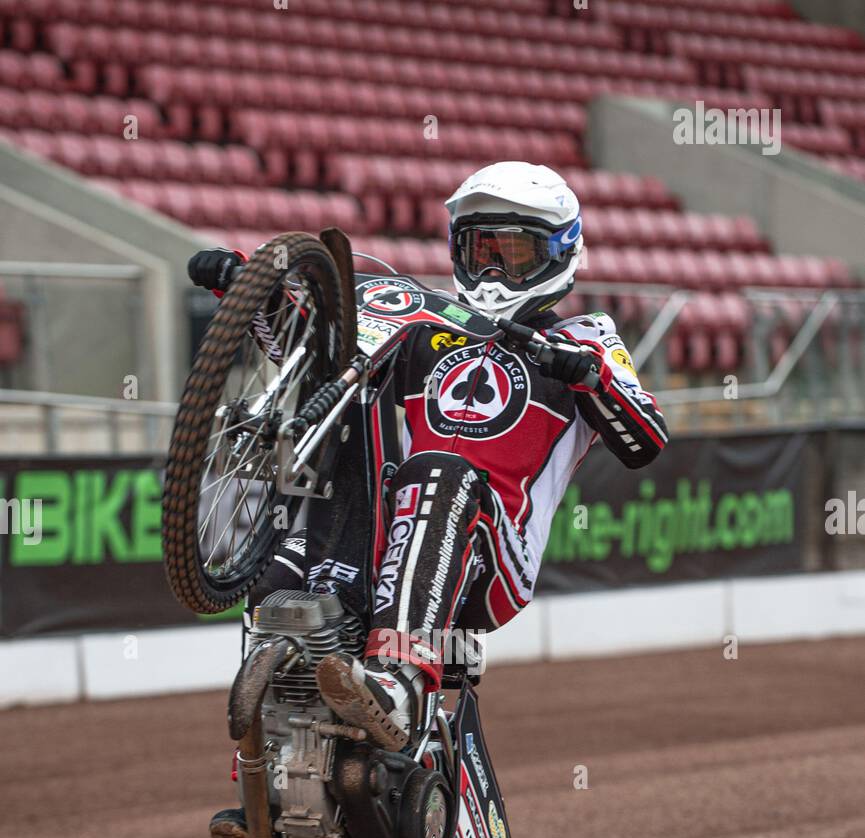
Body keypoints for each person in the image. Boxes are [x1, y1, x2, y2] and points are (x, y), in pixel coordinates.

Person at [189, 161, 668, 755]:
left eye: (512, 254)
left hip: (494, 556)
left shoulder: (586, 337)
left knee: (439, 470)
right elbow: (323, 354)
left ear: (557, 253)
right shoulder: (431, 325)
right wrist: (247, 289)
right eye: (479, 250)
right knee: (331, 467)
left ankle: (400, 681)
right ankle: (272, 755)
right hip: (402, 533)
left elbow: (645, 438)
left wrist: (588, 376)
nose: (492, 269)